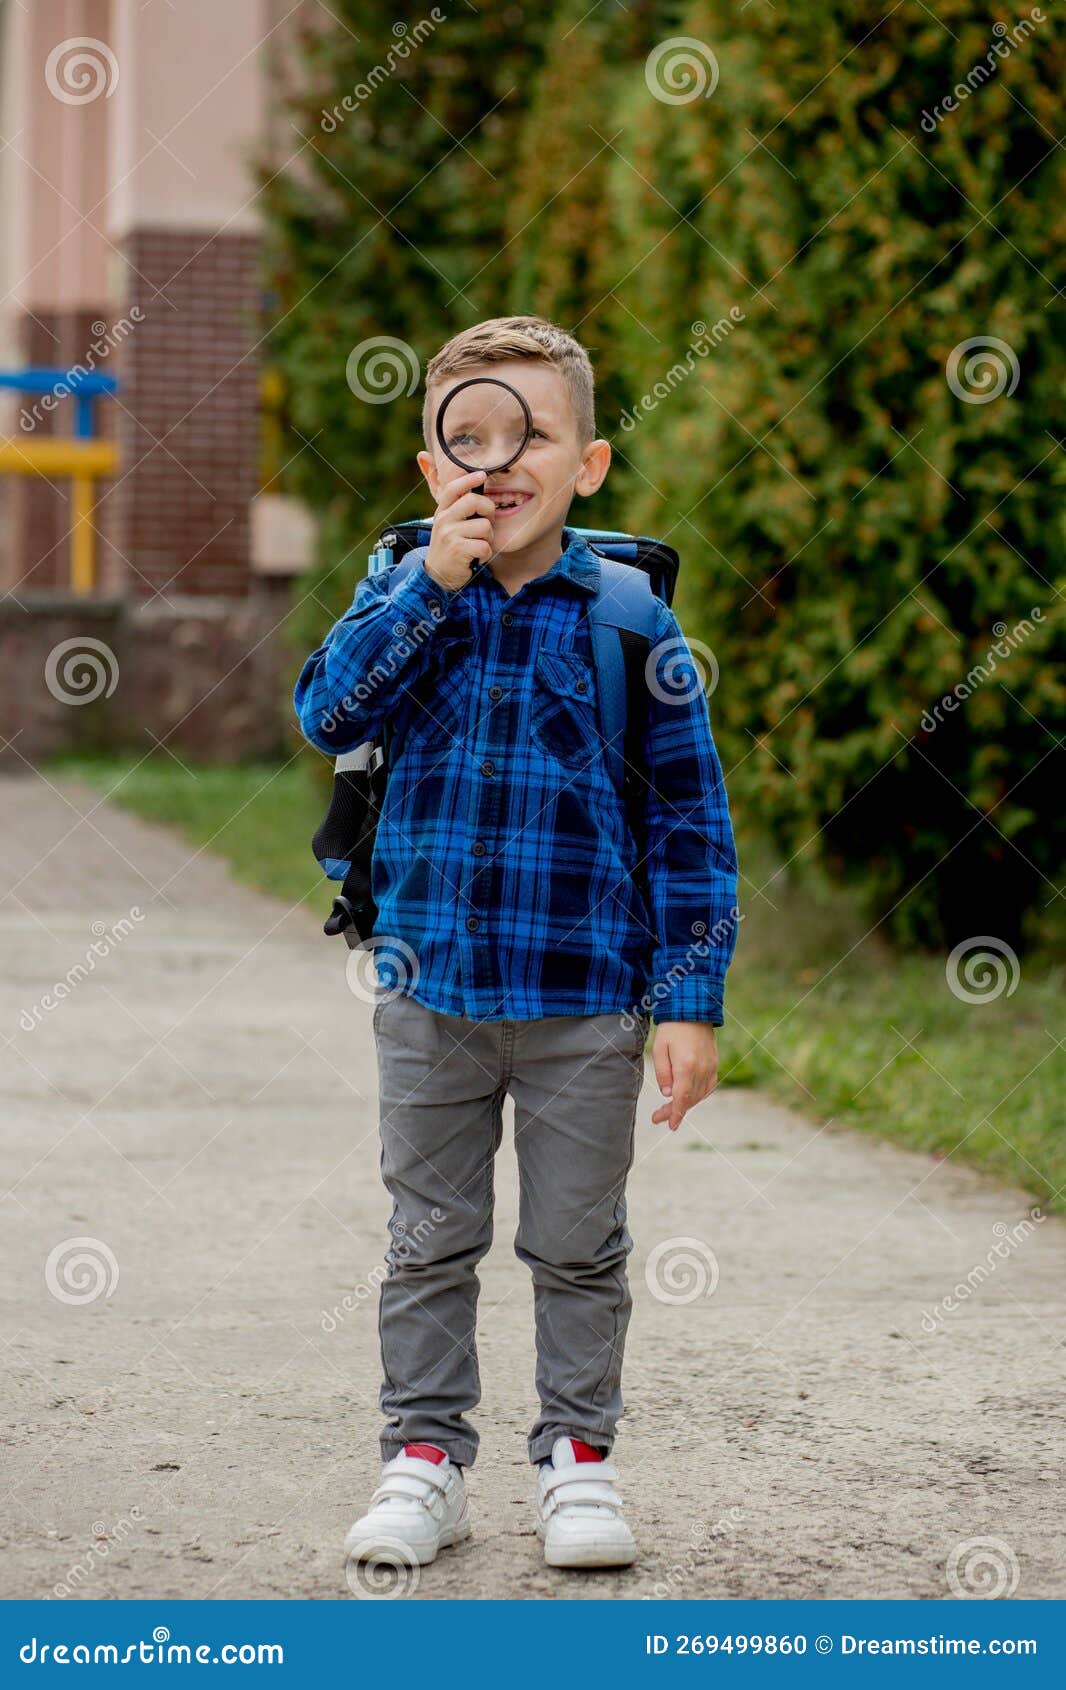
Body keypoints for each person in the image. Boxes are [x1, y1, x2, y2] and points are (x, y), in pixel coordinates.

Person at [293, 315, 739, 1572]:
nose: (498, 460)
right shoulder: (404, 593)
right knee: (427, 1235)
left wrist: (690, 999)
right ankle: (424, 1456)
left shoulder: (629, 620)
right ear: (434, 467)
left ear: (586, 465)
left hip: (584, 1001)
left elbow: (688, 823)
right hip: (426, 987)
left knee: (577, 1242)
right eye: (468, 438)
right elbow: (325, 706)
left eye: (529, 435)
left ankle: (577, 1462)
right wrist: (424, 588)